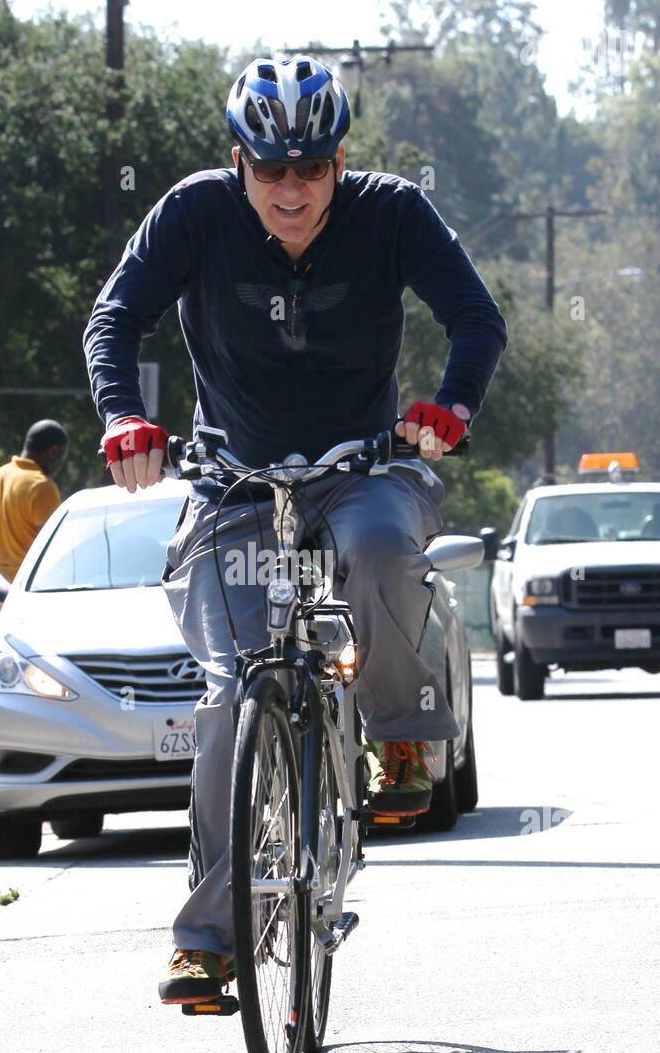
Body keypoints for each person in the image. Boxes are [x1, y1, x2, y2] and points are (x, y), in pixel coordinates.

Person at [83, 55, 508, 1004]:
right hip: (232, 482)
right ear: (238, 162)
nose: (290, 189)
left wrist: (450, 406)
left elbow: (477, 319)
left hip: (363, 468)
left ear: (339, 161)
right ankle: (208, 941)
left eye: (310, 169)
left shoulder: (393, 212)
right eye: (270, 168)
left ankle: (400, 739)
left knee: (381, 550)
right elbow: (114, 319)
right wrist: (120, 414)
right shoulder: (194, 213)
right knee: (234, 696)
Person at [0, 420, 68, 622]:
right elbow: (54, 547)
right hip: (29, 593)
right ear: (52, 451)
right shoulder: (41, 486)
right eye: (61, 456)